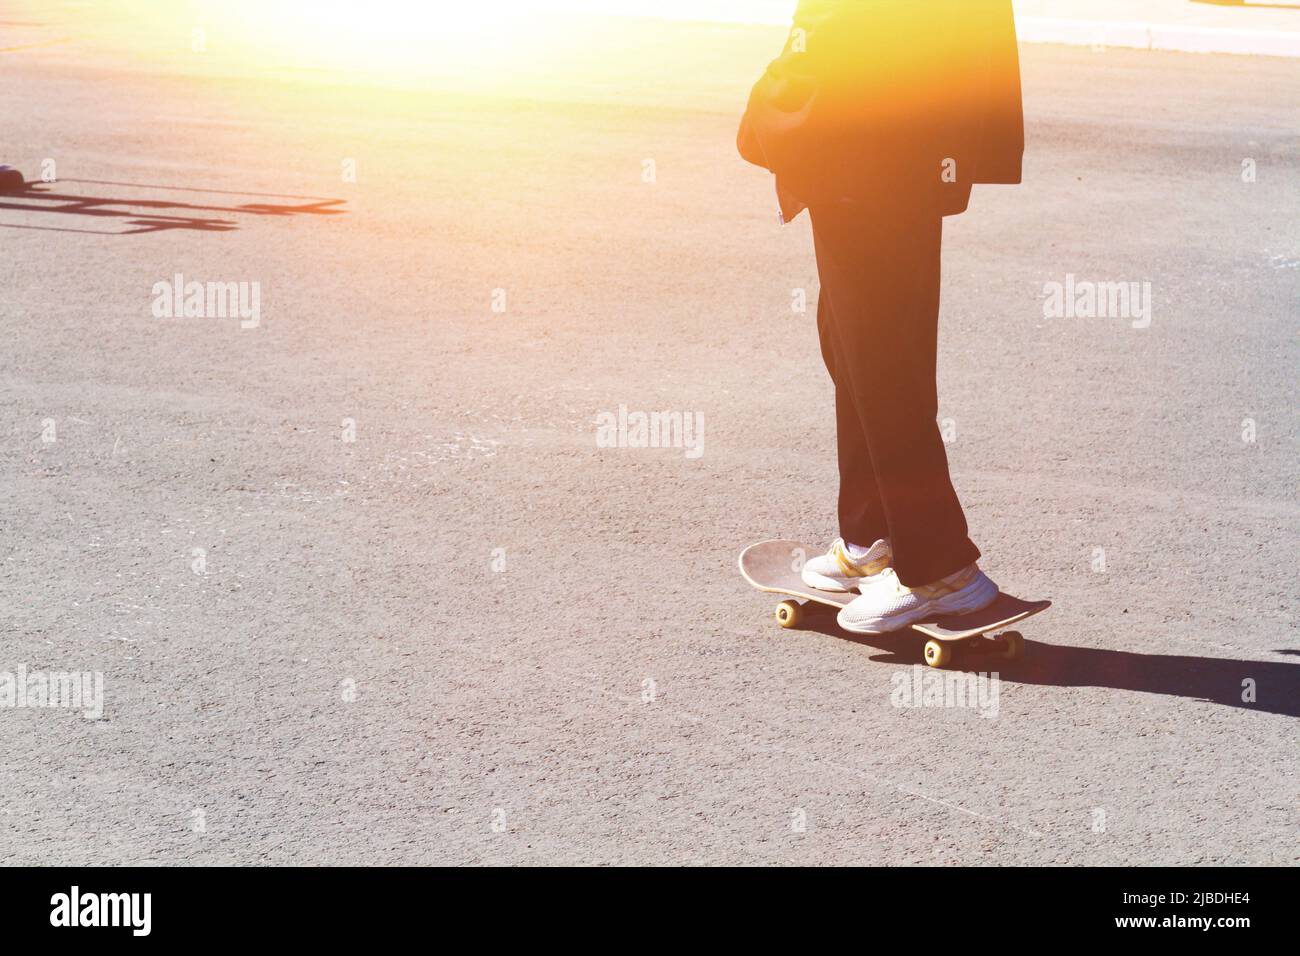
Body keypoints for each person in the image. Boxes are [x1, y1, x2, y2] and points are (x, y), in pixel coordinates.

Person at [737, 0, 1025, 634]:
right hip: (897, 136)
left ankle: (941, 569)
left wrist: (774, 110)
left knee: (881, 357)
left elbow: (841, 29)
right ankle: (873, 539)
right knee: (853, 343)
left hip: (870, 140)